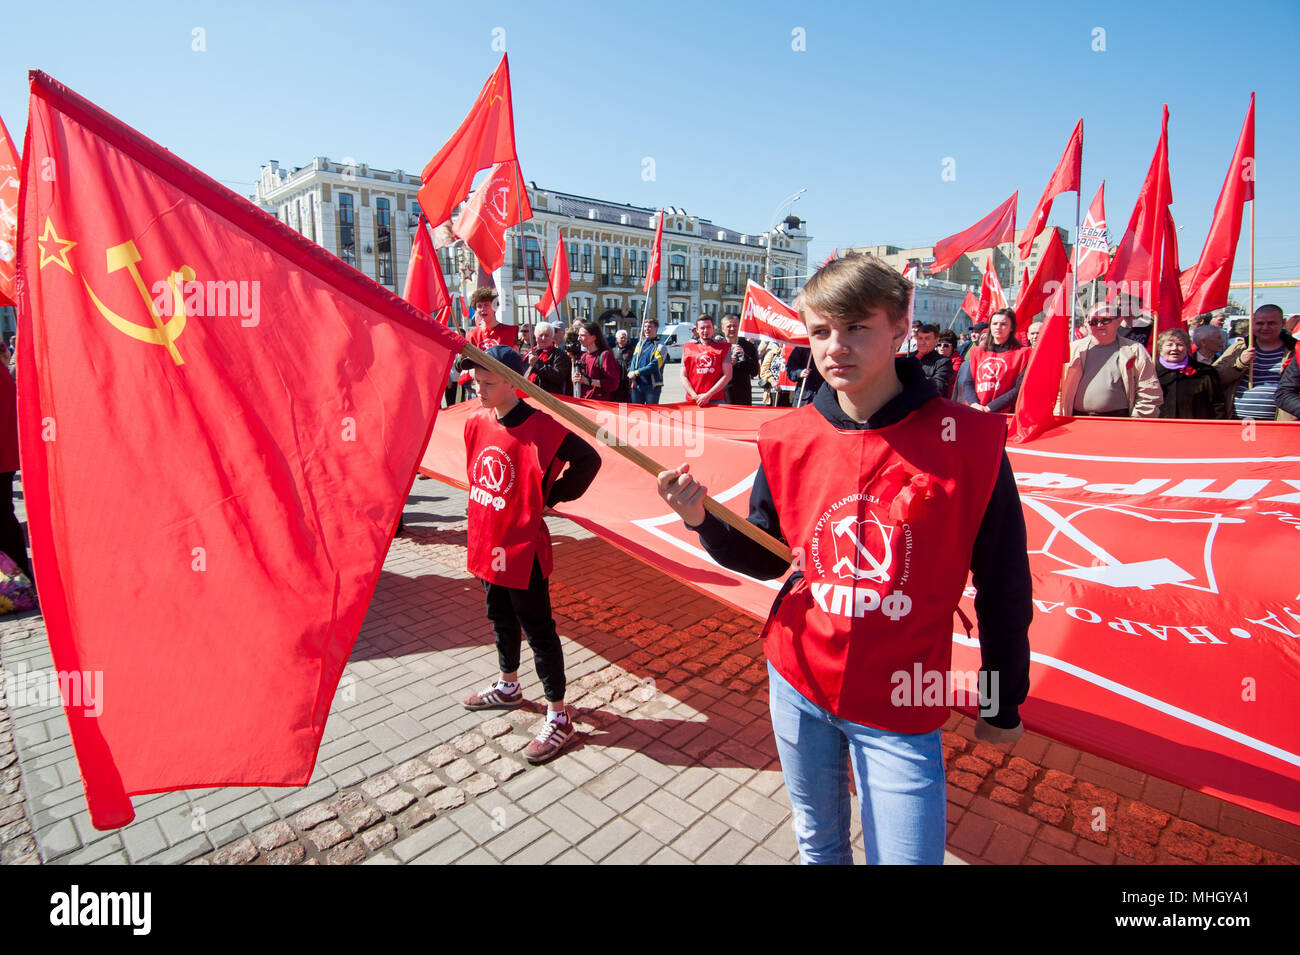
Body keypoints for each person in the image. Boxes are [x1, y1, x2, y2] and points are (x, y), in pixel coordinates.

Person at [655, 254, 1030, 865]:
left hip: (902, 696)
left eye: (857, 327)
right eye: (821, 330)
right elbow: (768, 554)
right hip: (798, 677)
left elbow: (1005, 584)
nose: (836, 347)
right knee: (818, 845)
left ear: (900, 326)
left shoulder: (972, 441)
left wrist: (1002, 697)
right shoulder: (787, 436)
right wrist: (701, 520)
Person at [460, 346, 602, 763]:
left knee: (538, 630)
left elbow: (589, 460)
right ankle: (508, 685)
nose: (479, 389)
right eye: (476, 381)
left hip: (523, 549)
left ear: (513, 383)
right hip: (489, 541)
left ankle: (558, 715)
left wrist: (550, 498)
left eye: (488, 382)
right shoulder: (475, 422)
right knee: (499, 617)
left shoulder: (541, 427)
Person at [1057, 303, 1163, 418]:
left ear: (1119, 321)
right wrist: (1058, 416)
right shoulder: (1072, 350)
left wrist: (1136, 421)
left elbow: (1149, 391)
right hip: (1077, 421)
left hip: (1119, 422)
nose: (1099, 325)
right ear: (1086, 324)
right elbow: (1058, 391)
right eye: (1093, 322)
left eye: (1105, 320)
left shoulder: (1135, 351)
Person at [1214, 304, 1297, 421]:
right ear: (1252, 323)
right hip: (1236, 423)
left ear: (1283, 323)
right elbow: (1213, 379)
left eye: (1271, 323)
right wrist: (1240, 363)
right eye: (1260, 323)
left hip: (1279, 426)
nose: (1265, 328)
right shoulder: (1240, 347)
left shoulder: (1295, 350)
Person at [956, 308, 1030, 413]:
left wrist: (990, 407)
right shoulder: (977, 352)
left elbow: (1019, 388)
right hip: (977, 411)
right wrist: (974, 404)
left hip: (1004, 413)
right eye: (995, 323)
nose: (998, 327)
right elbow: (968, 382)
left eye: (1003, 324)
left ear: (1012, 327)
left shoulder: (1023, 354)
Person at [1154, 328, 1224, 419]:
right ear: (1160, 349)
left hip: (1195, 428)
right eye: (1169, 345)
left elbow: (1218, 404)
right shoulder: (1150, 372)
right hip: (1159, 428)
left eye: (1180, 344)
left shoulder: (1206, 372)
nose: (1174, 348)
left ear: (1187, 348)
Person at [680, 315, 732, 407]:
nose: (705, 331)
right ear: (697, 330)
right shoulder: (688, 348)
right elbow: (683, 376)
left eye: (708, 327)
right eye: (702, 328)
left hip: (716, 399)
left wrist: (708, 395)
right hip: (693, 399)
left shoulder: (724, 348)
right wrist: (694, 396)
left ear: (713, 329)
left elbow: (727, 375)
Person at [571, 321, 622, 401]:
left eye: (583, 335)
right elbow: (574, 379)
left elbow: (613, 384)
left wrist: (589, 381)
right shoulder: (583, 356)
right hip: (584, 402)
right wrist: (573, 360)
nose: (579, 339)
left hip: (600, 404)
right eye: (579, 335)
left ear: (594, 337)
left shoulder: (605, 355)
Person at [523, 321, 571, 396]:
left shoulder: (559, 355)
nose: (543, 338)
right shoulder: (530, 353)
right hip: (528, 394)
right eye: (540, 335)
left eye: (547, 335)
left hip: (548, 397)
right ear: (535, 337)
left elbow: (559, 377)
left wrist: (537, 364)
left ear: (552, 338)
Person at [721, 314, 760, 405]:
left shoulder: (748, 346)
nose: (732, 329)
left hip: (742, 394)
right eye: (729, 326)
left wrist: (744, 357)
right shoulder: (717, 346)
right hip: (723, 394)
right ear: (722, 328)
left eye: (735, 326)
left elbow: (755, 371)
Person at [628, 317, 666, 405]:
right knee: (636, 412)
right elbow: (634, 360)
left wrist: (636, 373)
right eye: (645, 327)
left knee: (651, 413)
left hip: (652, 386)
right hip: (637, 385)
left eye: (649, 327)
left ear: (656, 328)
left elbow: (654, 366)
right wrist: (633, 377)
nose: (646, 329)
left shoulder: (661, 346)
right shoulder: (640, 343)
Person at [913, 323, 951, 399]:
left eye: (927, 338)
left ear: (936, 341)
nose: (922, 342)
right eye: (920, 338)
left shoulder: (943, 362)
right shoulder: (907, 358)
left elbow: (938, 387)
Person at [936, 330, 961, 398]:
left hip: (950, 397)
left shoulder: (958, 361)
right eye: (939, 344)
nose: (942, 347)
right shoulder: (934, 359)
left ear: (953, 347)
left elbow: (950, 377)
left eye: (946, 345)